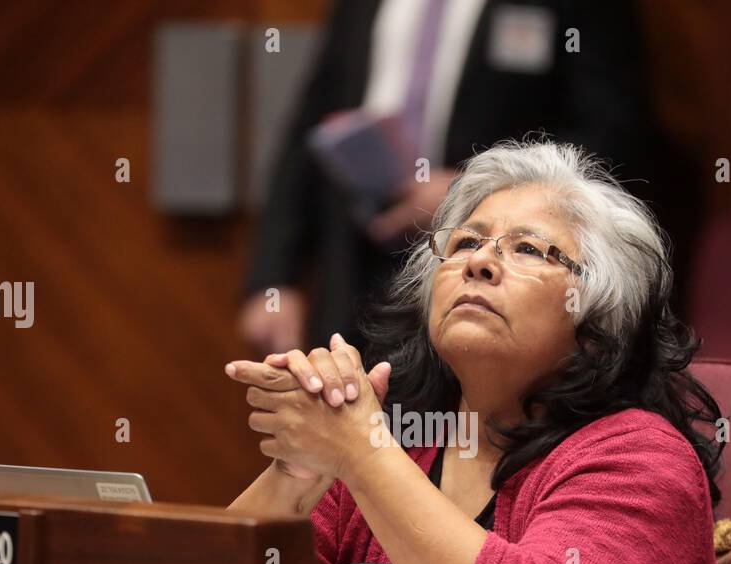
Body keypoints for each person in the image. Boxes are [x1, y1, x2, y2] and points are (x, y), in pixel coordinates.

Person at [225, 138, 724, 564]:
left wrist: (360, 451)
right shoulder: (402, 443)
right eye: (464, 244)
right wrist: (300, 469)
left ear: (599, 323)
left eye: (529, 249)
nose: (480, 262)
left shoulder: (643, 458)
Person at [238, 0, 651, 356]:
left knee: (454, 439)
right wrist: (274, 277)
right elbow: (311, 126)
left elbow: (613, 133)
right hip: (355, 264)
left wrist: (468, 192)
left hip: (488, 271)